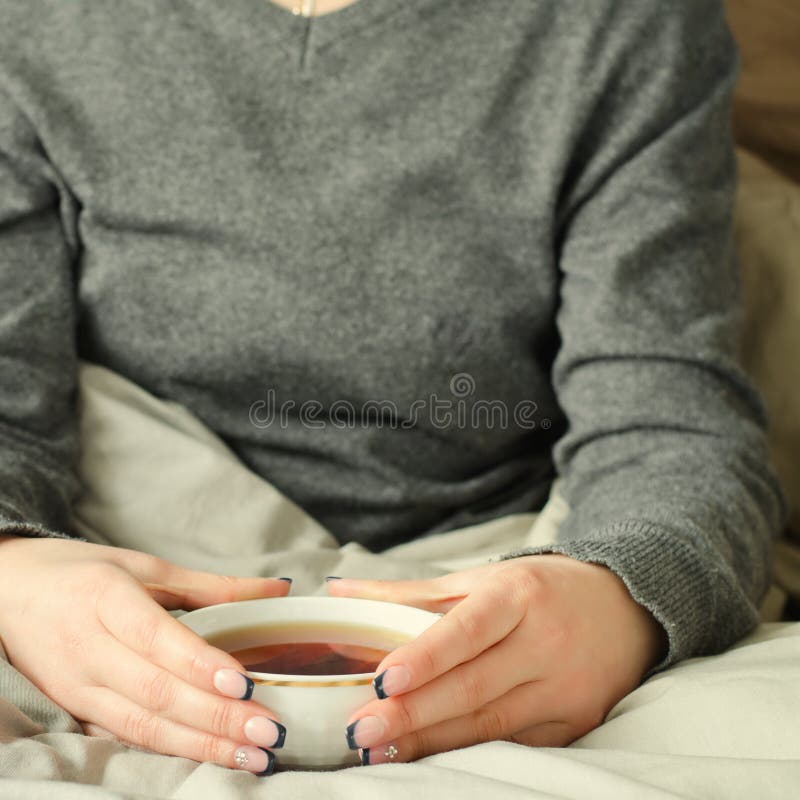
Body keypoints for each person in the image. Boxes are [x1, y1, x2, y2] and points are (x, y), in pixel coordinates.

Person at [0, 0, 786, 779]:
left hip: (504, 578)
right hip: (107, 568)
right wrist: (15, 570)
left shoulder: (626, 25)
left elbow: (669, 427)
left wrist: (617, 598)